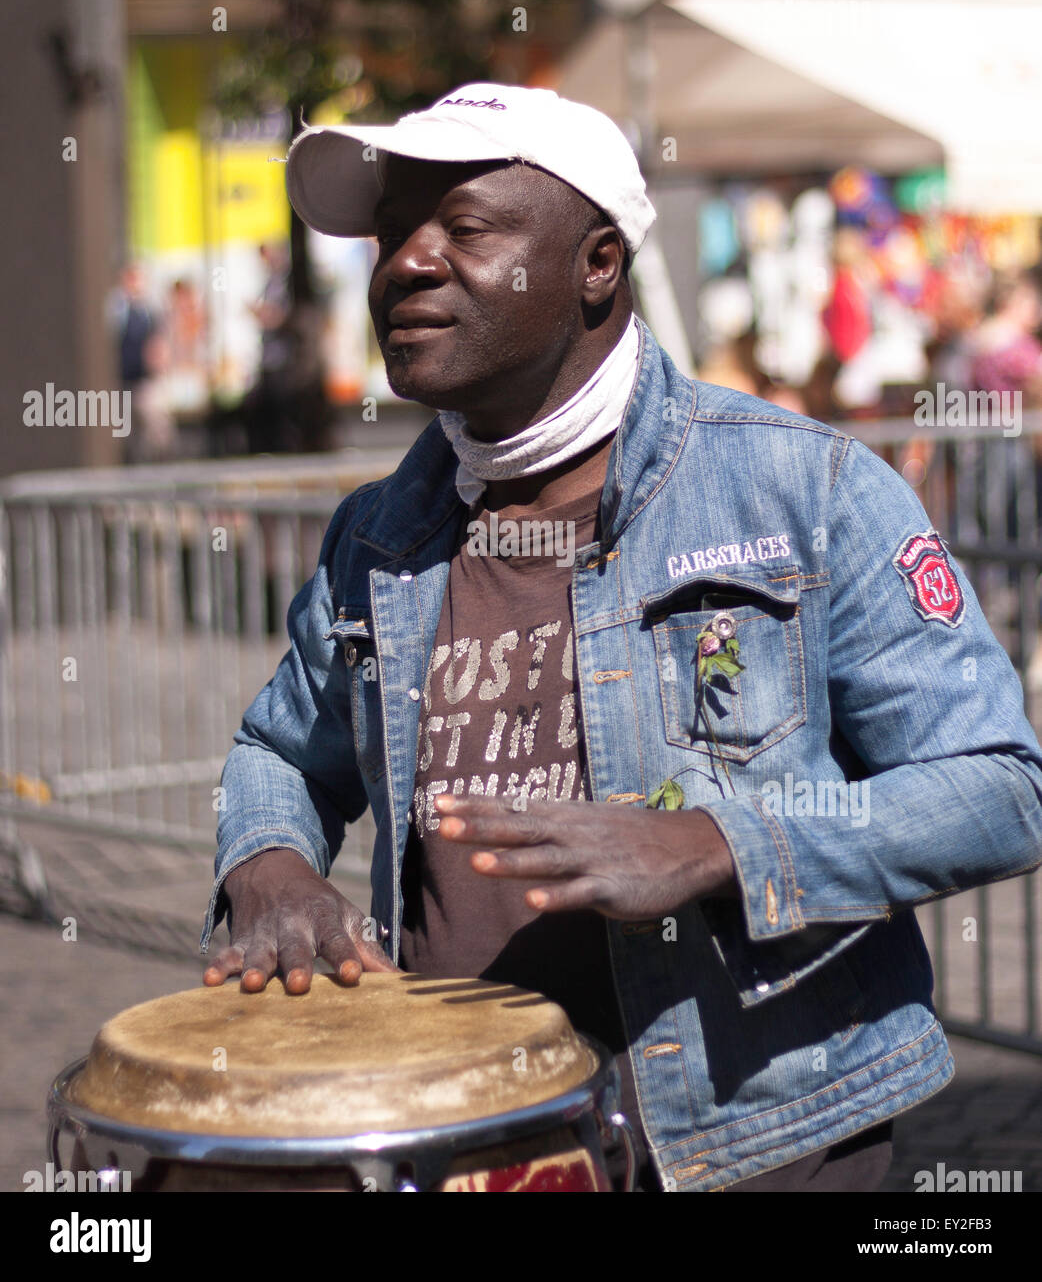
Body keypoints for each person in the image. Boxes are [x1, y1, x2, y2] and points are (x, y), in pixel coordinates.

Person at [200, 83, 1042, 1193]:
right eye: (394, 233)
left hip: (756, 1144)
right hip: (471, 1137)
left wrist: (715, 844)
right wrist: (265, 859)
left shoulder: (805, 488)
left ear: (597, 264)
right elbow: (278, 750)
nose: (404, 262)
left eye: (461, 228)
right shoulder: (378, 535)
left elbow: (998, 787)